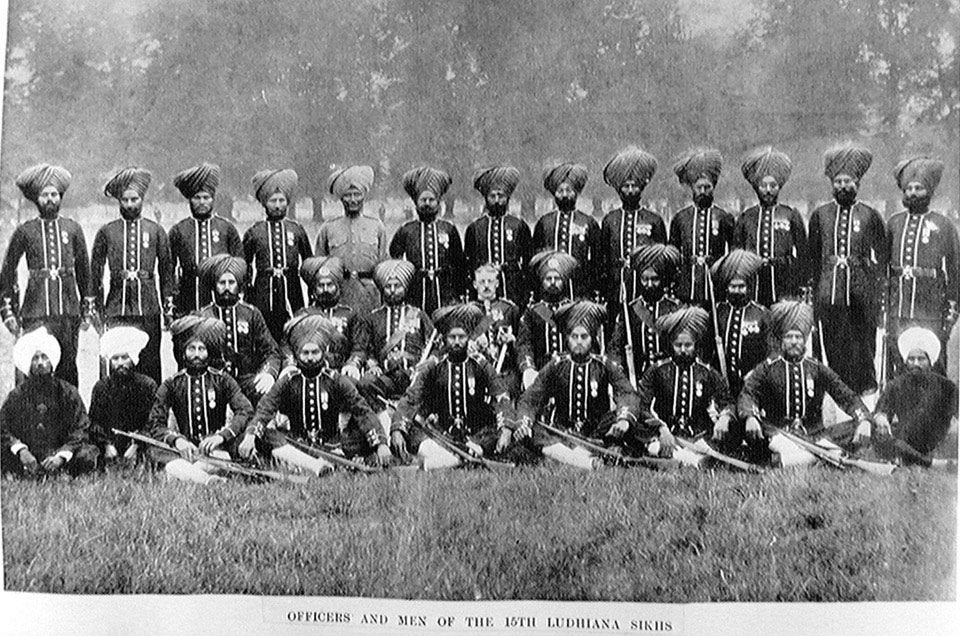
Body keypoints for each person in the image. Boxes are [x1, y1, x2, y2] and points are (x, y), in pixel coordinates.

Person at [238, 313, 391, 474]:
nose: (310, 358)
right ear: (297, 354)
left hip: (332, 444)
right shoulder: (288, 381)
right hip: (297, 444)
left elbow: (362, 410)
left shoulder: (336, 380)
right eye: (305, 353)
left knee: (363, 434)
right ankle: (316, 466)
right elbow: (266, 408)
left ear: (323, 351)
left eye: (315, 352)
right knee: (265, 435)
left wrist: (380, 443)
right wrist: (250, 436)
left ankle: (320, 462)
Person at [738, 300, 878, 466]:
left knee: (864, 426)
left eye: (798, 337)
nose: (794, 341)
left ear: (805, 340)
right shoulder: (767, 368)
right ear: (781, 340)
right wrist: (750, 417)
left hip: (815, 435)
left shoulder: (817, 368)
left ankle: (791, 459)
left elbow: (846, 396)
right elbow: (748, 393)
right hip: (779, 435)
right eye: (789, 337)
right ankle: (819, 456)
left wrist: (864, 420)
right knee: (747, 426)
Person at [513, 300, 639, 470]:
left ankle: (566, 457)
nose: (579, 341)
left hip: (596, 432)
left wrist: (624, 420)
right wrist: (524, 422)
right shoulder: (556, 364)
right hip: (562, 432)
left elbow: (627, 393)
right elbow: (531, 397)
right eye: (574, 336)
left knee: (625, 421)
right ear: (567, 338)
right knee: (533, 428)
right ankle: (587, 461)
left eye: (584, 337)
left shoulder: (603, 364)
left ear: (592, 338)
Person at [391, 303, 514, 469]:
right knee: (413, 434)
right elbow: (411, 398)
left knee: (502, 432)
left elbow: (501, 395)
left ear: (469, 337)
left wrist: (506, 429)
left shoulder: (481, 364)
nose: (457, 342)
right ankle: (455, 459)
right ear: (444, 339)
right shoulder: (433, 367)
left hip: (476, 434)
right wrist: (397, 429)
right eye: (452, 337)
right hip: (441, 433)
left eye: (462, 337)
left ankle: (452, 459)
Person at [0, 164, 91, 387]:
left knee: (67, 370)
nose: (49, 199)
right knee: (34, 370)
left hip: (68, 311)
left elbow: (84, 271)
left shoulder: (73, 229)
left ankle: (70, 420)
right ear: (37, 199)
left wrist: (87, 309)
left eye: (53, 195)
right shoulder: (25, 231)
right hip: (35, 312)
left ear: (60, 197)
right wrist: (8, 312)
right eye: (44, 195)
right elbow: (8, 271)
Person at [808, 142, 887, 395]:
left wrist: (871, 285)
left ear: (858, 183)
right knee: (832, 345)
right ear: (832, 184)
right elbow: (813, 258)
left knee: (862, 347)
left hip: (861, 296)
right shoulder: (820, 215)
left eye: (848, 181)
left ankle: (864, 397)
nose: (843, 186)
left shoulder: (870, 215)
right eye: (838, 182)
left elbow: (882, 257)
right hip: (828, 295)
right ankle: (836, 398)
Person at [90, 167, 174, 384]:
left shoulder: (156, 231)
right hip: (117, 309)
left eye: (134, 199)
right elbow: (95, 274)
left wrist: (168, 307)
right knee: (117, 365)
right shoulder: (107, 232)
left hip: (148, 309)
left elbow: (166, 272)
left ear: (142, 199)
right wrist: (97, 309)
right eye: (125, 200)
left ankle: (150, 416)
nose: (129, 205)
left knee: (148, 364)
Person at [147, 315, 254, 484]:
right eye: (191, 349)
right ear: (183, 352)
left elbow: (245, 411)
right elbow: (155, 422)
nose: (196, 354)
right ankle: (206, 479)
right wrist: (178, 440)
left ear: (208, 352)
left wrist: (221, 437)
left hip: (216, 450)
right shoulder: (171, 384)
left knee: (219, 458)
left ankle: (188, 476)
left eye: (201, 349)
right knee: (161, 455)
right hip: (184, 451)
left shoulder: (223, 380)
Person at [632, 306, 736, 466]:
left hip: (699, 436)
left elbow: (727, 401)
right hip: (665, 435)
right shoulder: (657, 370)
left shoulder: (708, 372)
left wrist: (724, 417)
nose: (683, 350)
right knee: (650, 443)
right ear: (671, 345)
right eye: (678, 345)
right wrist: (661, 429)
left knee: (718, 444)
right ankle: (688, 461)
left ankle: (684, 460)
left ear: (696, 344)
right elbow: (642, 405)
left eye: (688, 345)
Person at [885, 156, 958, 376]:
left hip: (931, 309)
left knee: (932, 362)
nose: (913, 193)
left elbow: (955, 270)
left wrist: (952, 310)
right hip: (899, 308)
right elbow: (884, 268)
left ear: (929, 192)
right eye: (908, 189)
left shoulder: (943, 225)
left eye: (918, 188)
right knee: (899, 362)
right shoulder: (894, 223)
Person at [1, 327, 98, 476]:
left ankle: (62, 470)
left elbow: (82, 427)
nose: (40, 363)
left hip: (59, 451)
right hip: (28, 453)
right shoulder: (18, 395)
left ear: (52, 361)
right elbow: (3, 428)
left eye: (44, 357)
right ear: (28, 363)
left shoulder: (68, 392)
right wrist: (21, 450)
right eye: (35, 358)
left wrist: (61, 456)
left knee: (87, 454)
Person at [356, 259, 436, 432]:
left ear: (405, 288)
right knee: (365, 383)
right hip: (388, 376)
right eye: (388, 286)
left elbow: (435, 343)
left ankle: (423, 425)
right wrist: (372, 364)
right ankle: (385, 423)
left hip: (415, 375)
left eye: (397, 286)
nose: (392, 291)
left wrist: (427, 364)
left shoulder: (419, 315)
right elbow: (365, 348)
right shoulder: (373, 318)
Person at [196, 254, 281, 406]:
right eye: (222, 283)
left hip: (246, 380)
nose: (227, 287)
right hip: (214, 380)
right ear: (214, 286)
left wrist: (268, 374)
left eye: (231, 282)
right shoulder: (203, 316)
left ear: (238, 284)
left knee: (265, 394)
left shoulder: (251, 313)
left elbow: (271, 351)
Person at [243, 168, 312, 343]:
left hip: (292, 287)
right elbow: (244, 265)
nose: (278, 205)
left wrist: (311, 293)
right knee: (264, 335)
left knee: (295, 332)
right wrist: (249, 291)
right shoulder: (255, 231)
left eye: (281, 200)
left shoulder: (296, 230)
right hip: (263, 290)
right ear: (265, 203)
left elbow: (309, 265)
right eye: (273, 201)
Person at [871, 327, 957, 469]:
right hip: (907, 439)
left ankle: (913, 458)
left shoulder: (946, 386)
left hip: (935, 439)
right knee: (878, 433)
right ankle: (930, 463)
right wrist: (881, 419)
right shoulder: (896, 385)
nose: (915, 363)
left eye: (921, 359)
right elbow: (882, 409)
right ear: (906, 361)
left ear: (930, 361)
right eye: (911, 359)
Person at [735, 147, 808, 306]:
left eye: (773, 185)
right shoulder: (746, 217)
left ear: (779, 187)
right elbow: (736, 256)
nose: (768, 190)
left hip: (784, 282)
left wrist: (798, 279)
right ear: (757, 187)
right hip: (754, 283)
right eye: (763, 185)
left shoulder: (790, 215)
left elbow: (803, 253)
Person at [168, 163, 243, 315]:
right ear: (190, 200)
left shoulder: (227, 228)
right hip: (188, 296)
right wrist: (171, 300)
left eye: (206, 198)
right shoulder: (178, 230)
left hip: (221, 296)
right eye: (197, 198)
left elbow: (240, 265)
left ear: (213, 199)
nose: (202, 202)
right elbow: (169, 268)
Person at [389, 166, 465, 315]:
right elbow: (394, 259)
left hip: (445, 292)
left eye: (432, 200)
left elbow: (459, 264)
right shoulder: (406, 230)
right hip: (415, 293)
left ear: (438, 202)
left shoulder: (449, 229)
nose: (427, 204)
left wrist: (458, 293)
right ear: (416, 202)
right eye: (423, 200)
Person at [600, 146, 666, 317]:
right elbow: (603, 258)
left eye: (634, 186)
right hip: (616, 288)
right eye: (626, 186)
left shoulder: (654, 220)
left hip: (644, 288)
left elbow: (663, 260)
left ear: (641, 187)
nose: (630, 191)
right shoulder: (609, 220)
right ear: (619, 189)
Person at [315, 165, 388, 317]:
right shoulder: (328, 228)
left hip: (370, 295)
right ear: (341, 198)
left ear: (364, 196)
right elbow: (319, 267)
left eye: (357, 194)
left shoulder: (377, 226)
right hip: (339, 294)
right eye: (348, 195)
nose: (353, 200)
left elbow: (383, 267)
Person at [609, 243, 683, 385]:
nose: (649, 284)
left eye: (654, 279)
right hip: (639, 378)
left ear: (663, 279)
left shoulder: (676, 309)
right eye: (645, 279)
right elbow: (615, 347)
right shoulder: (630, 310)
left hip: (670, 381)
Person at [669, 148, 734, 306]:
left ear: (713, 187)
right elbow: (672, 254)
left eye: (707, 187)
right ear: (692, 188)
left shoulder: (724, 217)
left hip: (715, 286)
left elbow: (733, 254)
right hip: (688, 286)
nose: (703, 191)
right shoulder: (681, 218)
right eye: (699, 188)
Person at [532, 161, 603, 300]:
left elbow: (597, 261)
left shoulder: (589, 223)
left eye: (569, 191)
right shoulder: (544, 223)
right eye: (560, 191)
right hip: (550, 288)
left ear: (576, 193)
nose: (565, 195)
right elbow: (536, 261)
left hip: (580, 290)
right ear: (554, 194)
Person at [464, 165, 532, 309]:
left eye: (500, 196)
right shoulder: (475, 228)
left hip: (512, 286)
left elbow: (528, 262)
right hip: (485, 287)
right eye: (492, 196)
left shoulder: (519, 226)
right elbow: (468, 264)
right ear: (486, 198)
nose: (496, 200)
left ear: (507, 198)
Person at [88, 326, 157, 465]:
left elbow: (152, 422)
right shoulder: (101, 387)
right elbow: (94, 422)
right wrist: (106, 444)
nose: (120, 363)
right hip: (110, 443)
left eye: (124, 358)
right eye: (115, 358)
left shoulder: (147, 385)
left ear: (132, 359)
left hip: (140, 441)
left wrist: (137, 444)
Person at [292, 256, 369, 379]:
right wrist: (290, 365)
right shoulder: (303, 315)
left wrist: (352, 364)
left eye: (330, 285)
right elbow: (288, 346)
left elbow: (359, 348)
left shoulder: (350, 315)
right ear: (314, 289)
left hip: (340, 373)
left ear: (338, 287)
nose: (325, 290)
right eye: (320, 286)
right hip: (308, 371)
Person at [711, 249, 770, 396]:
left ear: (748, 286)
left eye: (741, 287)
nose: (737, 291)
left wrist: (755, 375)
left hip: (752, 385)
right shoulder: (718, 312)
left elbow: (771, 353)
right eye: (733, 287)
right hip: (721, 385)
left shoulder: (762, 314)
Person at [517, 250, 579, 390]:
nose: (552, 283)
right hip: (540, 373)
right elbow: (524, 345)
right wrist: (528, 368)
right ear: (542, 281)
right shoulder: (533, 312)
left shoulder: (575, 310)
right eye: (548, 278)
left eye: (557, 279)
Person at [468, 263, 522, 397]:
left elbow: (523, 343)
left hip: (505, 373)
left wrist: (512, 340)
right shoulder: (467, 312)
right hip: (478, 375)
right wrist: (470, 345)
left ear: (497, 283)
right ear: (475, 284)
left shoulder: (510, 309)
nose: (486, 286)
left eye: (490, 281)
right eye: (482, 282)